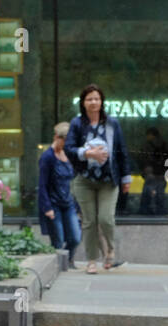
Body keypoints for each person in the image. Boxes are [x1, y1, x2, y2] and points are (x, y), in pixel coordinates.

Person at [65, 84, 131, 274]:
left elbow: (122, 151)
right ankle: (92, 260)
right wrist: (88, 153)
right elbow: (69, 149)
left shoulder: (112, 123)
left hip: (109, 181)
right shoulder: (77, 123)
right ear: (83, 103)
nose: (93, 102)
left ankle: (110, 249)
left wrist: (126, 178)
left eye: (96, 98)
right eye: (89, 99)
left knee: (106, 219)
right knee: (89, 221)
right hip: (84, 180)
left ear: (101, 101)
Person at [38, 122, 81, 266]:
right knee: (58, 239)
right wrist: (47, 207)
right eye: (65, 141)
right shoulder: (47, 157)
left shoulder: (68, 155)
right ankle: (58, 265)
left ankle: (67, 260)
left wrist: (78, 206)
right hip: (53, 204)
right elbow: (42, 184)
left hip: (68, 203)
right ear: (57, 137)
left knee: (75, 237)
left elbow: (73, 182)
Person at [138, 126, 168, 215]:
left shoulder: (147, 146)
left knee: (147, 194)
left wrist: (145, 171)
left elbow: (143, 159)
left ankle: (145, 211)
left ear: (151, 135)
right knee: (160, 195)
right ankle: (161, 211)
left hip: (151, 174)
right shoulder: (165, 145)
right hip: (161, 174)